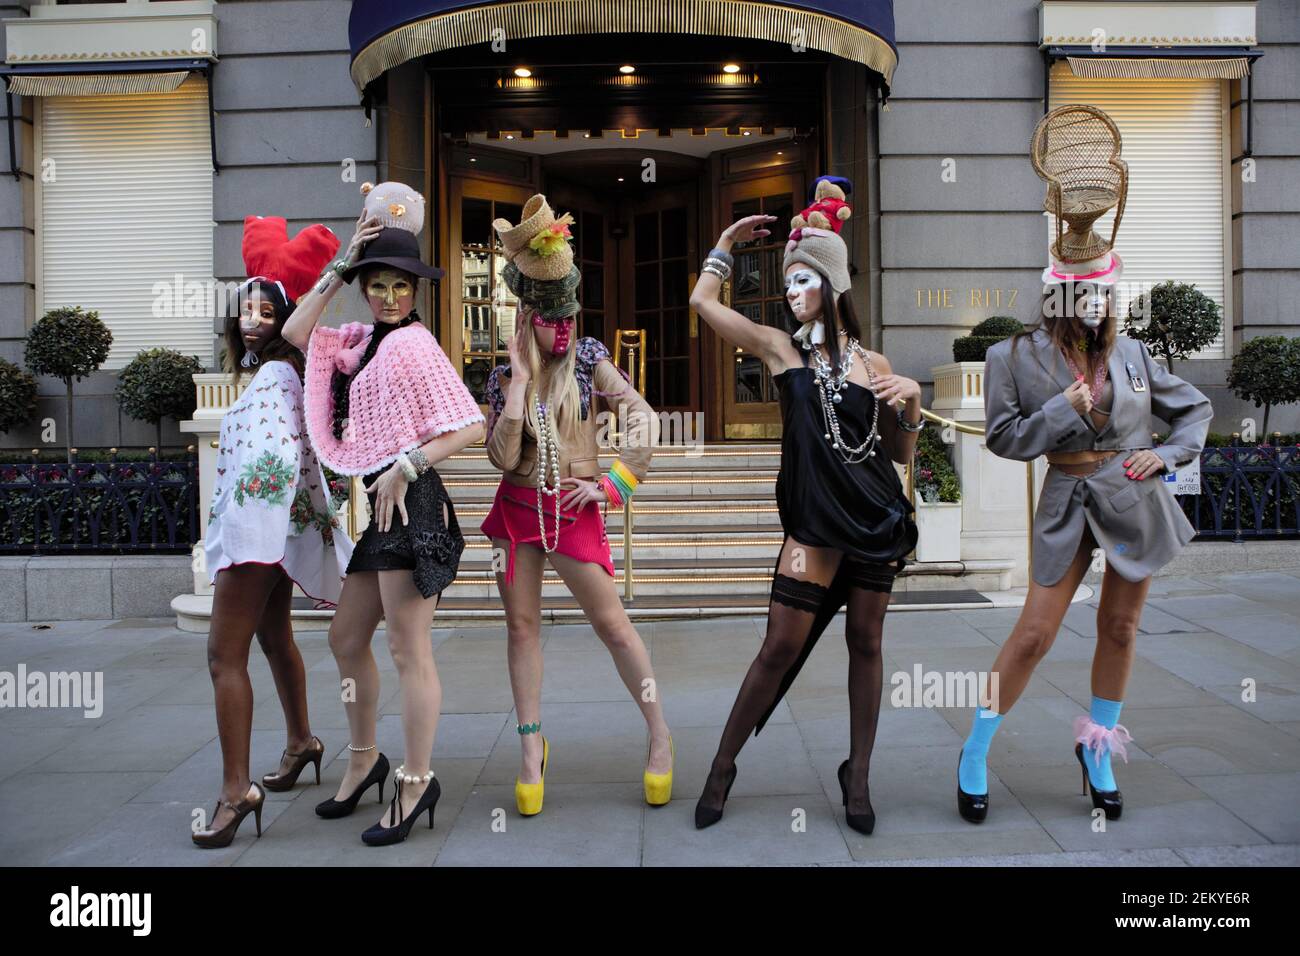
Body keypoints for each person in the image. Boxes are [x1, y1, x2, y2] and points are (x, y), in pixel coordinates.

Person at [687, 176, 921, 832]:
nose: (792, 294)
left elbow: (899, 456)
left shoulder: (872, 360)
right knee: (779, 644)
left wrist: (911, 403)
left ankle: (859, 775)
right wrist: (726, 245)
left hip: (874, 517)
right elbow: (702, 301)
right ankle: (723, 766)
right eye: (787, 283)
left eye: (802, 280)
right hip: (814, 524)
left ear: (833, 284)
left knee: (866, 642)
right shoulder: (781, 349)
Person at [956, 246, 1211, 823]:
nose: (1097, 304)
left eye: (1105, 293)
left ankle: (1097, 750)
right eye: (1084, 293)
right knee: (1033, 636)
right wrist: (1060, 409)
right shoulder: (1011, 354)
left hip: (1131, 497)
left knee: (1120, 629)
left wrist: (1164, 455)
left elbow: (1194, 411)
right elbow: (1004, 438)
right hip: (1066, 496)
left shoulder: (1133, 354)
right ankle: (974, 750)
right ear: (1058, 296)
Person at [283, 182, 486, 845]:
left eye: (402, 286)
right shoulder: (360, 338)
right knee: (346, 640)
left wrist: (408, 463)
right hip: (382, 517)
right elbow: (294, 331)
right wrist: (340, 264)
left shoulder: (415, 346)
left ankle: (417, 780)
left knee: (408, 651)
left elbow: (470, 426)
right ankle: (366, 759)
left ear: (417, 290)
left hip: (415, 506)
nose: (391, 296)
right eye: (378, 284)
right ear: (364, 286)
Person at [480, 194, 673, 816]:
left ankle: (660, 735)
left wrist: (614, 484)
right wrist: (514, 390)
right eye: (551, 319)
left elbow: (644, 418)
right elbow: (502, 460)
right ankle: (531, 747)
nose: (564, 329)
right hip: (515, 511)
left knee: (614, 627)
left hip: (573, 510)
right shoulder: (503, 374)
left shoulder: (589, 361)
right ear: (527, 317)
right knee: (521, 627)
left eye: (570, 317)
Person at [194, 216, 353, 848]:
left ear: (286, 316)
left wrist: (246, 539)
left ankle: (237, 792)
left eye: (267, 309)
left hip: (258, 537)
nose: (252, 318)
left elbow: (271, 464)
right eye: (244, 309)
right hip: (277, 535)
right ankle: (301, 743)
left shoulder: (273, 378)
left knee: (221, 655)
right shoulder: (283, 375)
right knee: (274, 637)